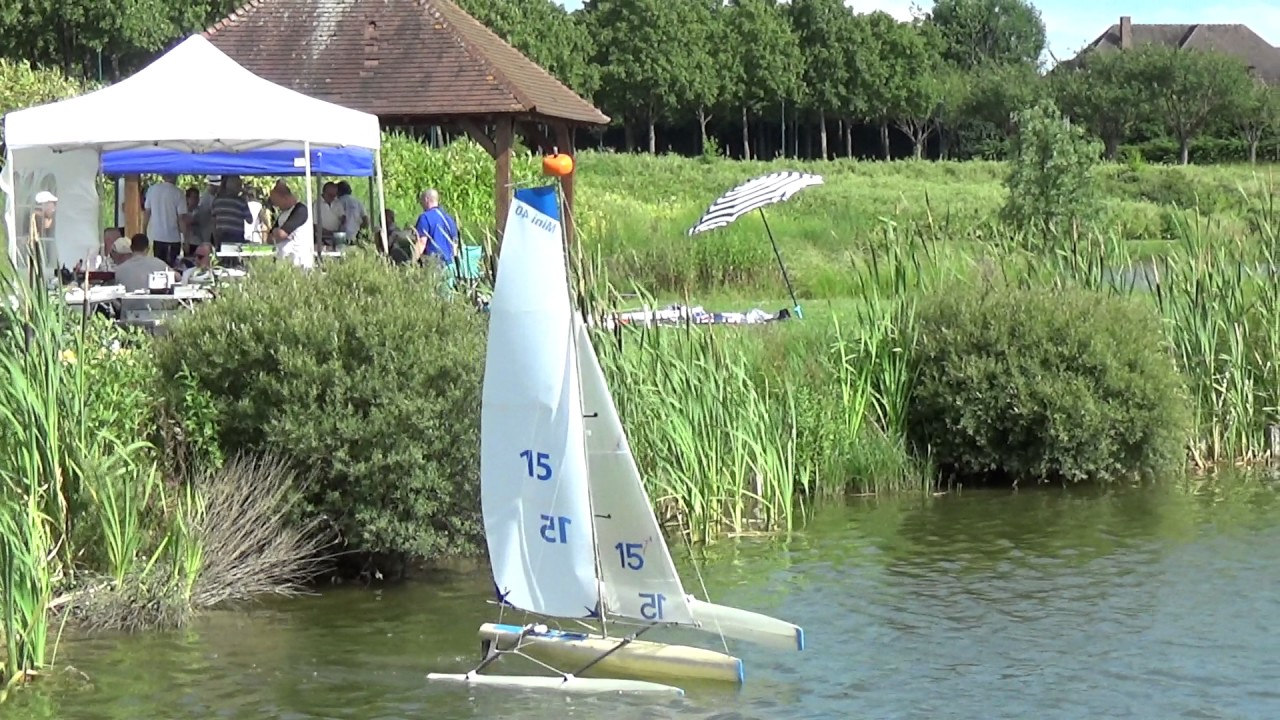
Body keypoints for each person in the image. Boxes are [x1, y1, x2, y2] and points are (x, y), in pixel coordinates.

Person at [267, 181, 314, 269]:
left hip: (300, 262)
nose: (276, 206)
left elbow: (282, 234)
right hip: (283, 262)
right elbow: (269, 239)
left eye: (277, 202)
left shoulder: (300, 210)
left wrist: (277, 232)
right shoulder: (282, 214)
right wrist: (276, 233)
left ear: (285, 197)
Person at [143, 174, 187, 266]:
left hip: (157, 236)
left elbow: (147, 212)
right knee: (172, 267)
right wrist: (186, 238)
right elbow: (181, 218)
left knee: (159, 267)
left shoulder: (152, 190)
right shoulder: (178, 193)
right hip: (173, 237)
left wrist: (144, 230)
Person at [414, 189, 458, 266]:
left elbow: (422, 242)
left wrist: (413, 262)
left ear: (426, 200)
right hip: (449, 264)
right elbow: (455, 244)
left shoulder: (424, 217)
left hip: (433, 262)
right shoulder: (449, 218)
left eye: (421, 201)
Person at [210, 175, 253, 246]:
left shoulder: (217, 201)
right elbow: (250, 220)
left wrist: (215, 240)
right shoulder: (241, 202)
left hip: (221, 235)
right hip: (237, 236)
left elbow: (213, 222)